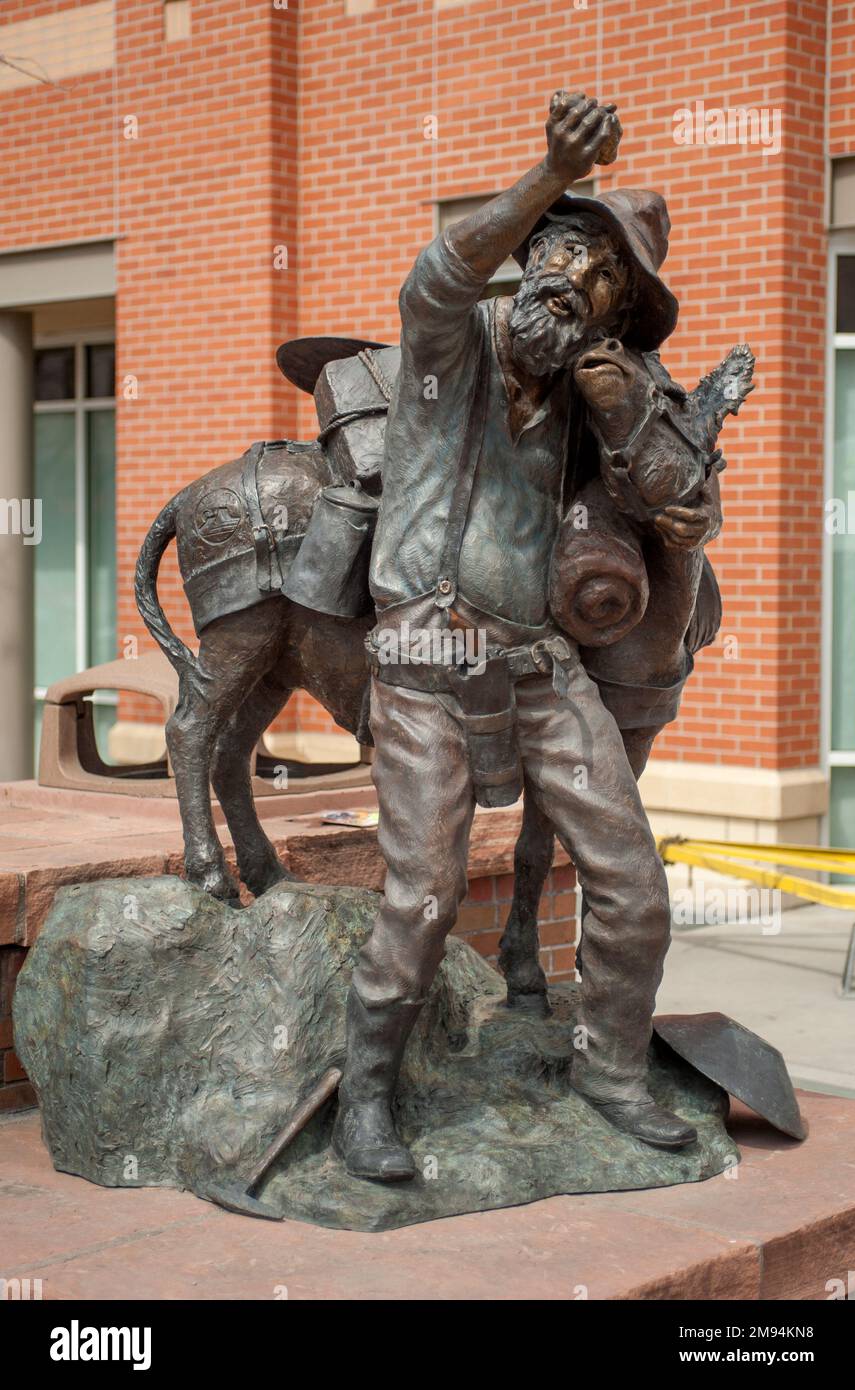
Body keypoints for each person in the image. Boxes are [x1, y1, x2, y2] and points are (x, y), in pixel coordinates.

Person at [333, 92, 705, 1182]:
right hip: (424, 658)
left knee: (633, 878)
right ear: (532, 249)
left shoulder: (596, 396)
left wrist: (641, 446)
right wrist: (550, 172)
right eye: (566, 253)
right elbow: (436, 272)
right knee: (425, 895)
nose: (576, 283)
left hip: (539, 666)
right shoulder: (456, 347)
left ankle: (613, 1073)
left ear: (613, 317)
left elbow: (685, 503)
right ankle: (366, 1095)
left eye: (605, 283)